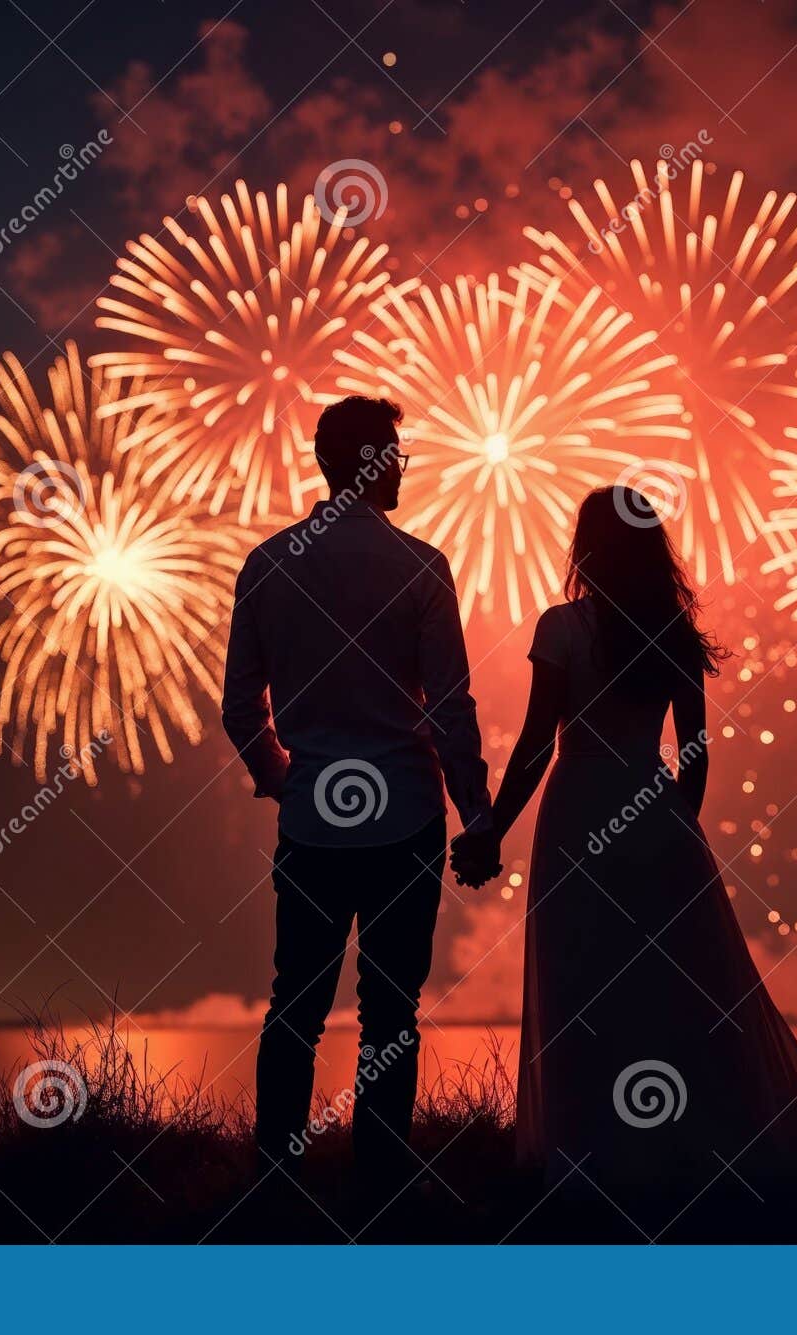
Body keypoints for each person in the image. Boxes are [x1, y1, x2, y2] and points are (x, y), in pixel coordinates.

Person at [457, 485, 797, 1190]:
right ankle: (686, 1151)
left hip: (576, 814)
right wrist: (677, 828)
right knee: (670, 989)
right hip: (653, 808)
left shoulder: (560, 628)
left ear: (586, 548)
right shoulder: (671, 630)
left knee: (580, 982)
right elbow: (694, 749)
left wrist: (488, 828)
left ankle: (586, 1156)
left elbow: (537, 746)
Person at [221, 395, 501, 1199]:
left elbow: (242, 709)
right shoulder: (421, 566)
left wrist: (285, 782)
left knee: (294, 1005)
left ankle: (276, 1176)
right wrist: (474, 814)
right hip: (406, 820)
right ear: (377, 462)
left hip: (313, 822)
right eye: (398, 454)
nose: (404, 468)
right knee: (391, 1014)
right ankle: (380, 1183)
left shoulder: (268, 563)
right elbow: (450, 708)